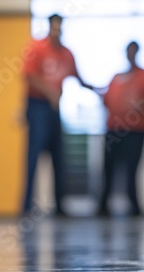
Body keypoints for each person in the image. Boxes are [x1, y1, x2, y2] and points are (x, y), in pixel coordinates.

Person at [21, 14, 94, 216]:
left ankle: (60, 206)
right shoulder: (37, 48)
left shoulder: (66, 54)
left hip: (55, 109)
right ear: (49, 27)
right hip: (37, 106)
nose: (57, 30)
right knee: (33, 158)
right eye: (54, 26)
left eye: (60, 27)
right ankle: (27, 207)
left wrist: (95, 89)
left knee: (59, 157)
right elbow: (28, 76)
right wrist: (49, 92)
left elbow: (77, 77)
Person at [97, 42, 144, 217]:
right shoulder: (116, 78)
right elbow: (106, 101)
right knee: (108, 169)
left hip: (135, 132)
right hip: (113, 130)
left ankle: (134, 208)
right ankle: (103, 207)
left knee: (131, 170)